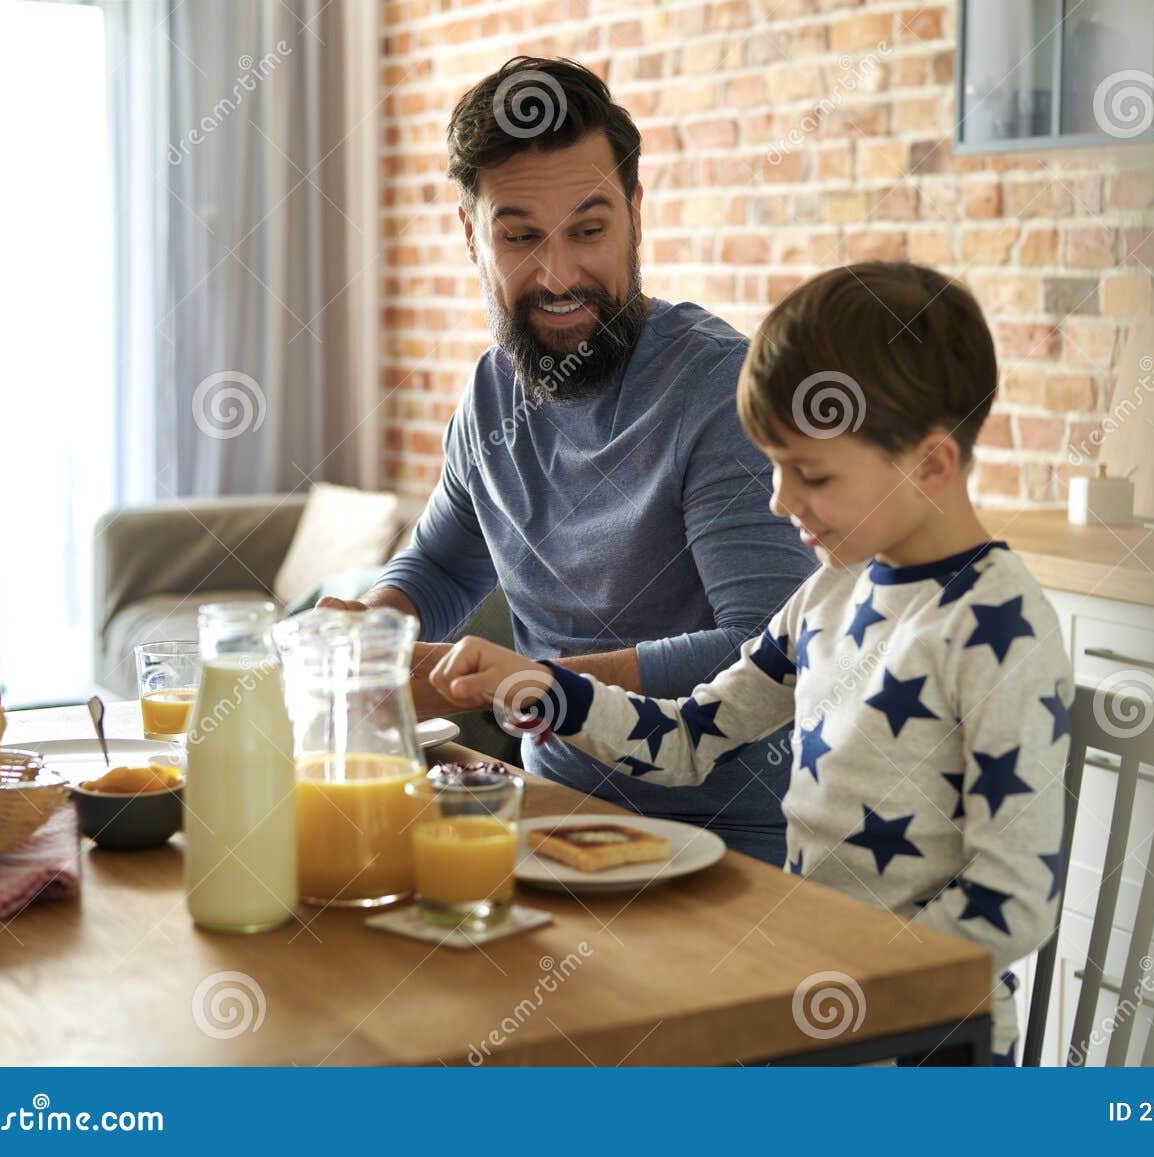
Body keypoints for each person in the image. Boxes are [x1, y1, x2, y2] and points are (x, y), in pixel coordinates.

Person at [429, 262, 1073, 1065]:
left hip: (927, 1042)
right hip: (822, 1011)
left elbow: (1016, 902)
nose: (777, 501)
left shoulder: (1000, 627)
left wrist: (829, 969)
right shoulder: (829, 596)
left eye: (812, 473)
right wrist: (552, 690)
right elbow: (689, 735)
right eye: (773, 464)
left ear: (932, 464)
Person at [320, 56, 815, 865]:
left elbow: (767, 648)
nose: (558, 276)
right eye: (521, 237)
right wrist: (372, 636)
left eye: (589, 231)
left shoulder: (720, 391)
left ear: (636, 214)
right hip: (549, 822)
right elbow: (441, 568)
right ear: (472, 233)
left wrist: (533, 682)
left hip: (730, 850)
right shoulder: (490, 398)